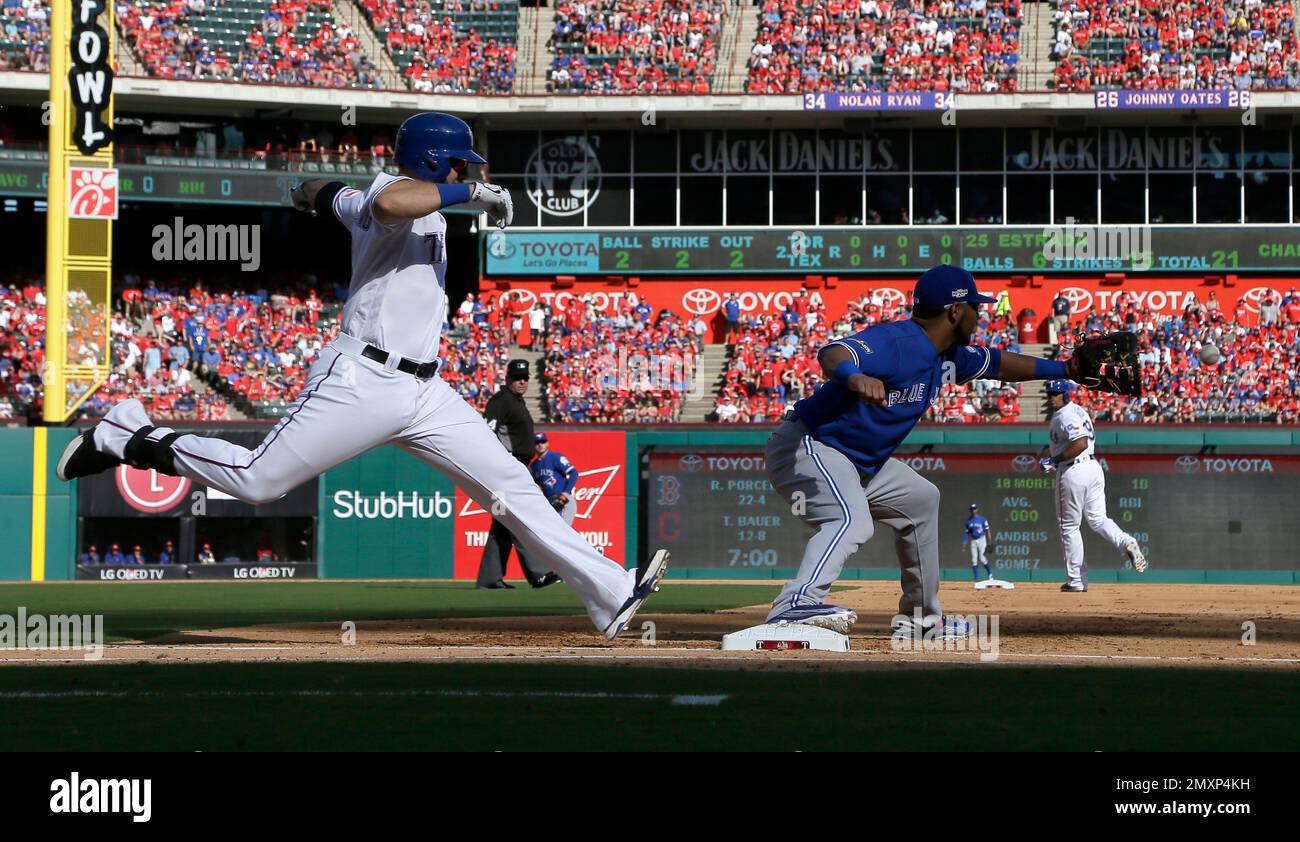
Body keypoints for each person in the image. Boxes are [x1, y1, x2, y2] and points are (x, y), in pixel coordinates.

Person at [57, 112, 664, 640]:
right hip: (362, 378)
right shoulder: (395, 197)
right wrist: (473, 195)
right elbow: (391, 203)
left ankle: (609, 594)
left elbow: (325, 192)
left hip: (425, 391)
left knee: (510, 483)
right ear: (431, 161)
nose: (465, 173)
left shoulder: (378, 198)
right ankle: (128, 436)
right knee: (258, 480)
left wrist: (303, 190)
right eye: (458, 165)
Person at [763, 265, 1102, 639]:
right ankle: (795, 605)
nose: (980, 312)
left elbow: (999, 364)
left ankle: (921, 621)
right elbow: (833, 352)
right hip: (809, 445)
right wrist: (853, 376)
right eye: (974, 305)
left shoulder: (950, 356)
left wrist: (1066, 367)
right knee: (851, 520)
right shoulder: (898, 341)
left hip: (858, 462)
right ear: (955, 311)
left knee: (921, 500)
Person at [1038, 380, 1147, 591]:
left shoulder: (1064, 415)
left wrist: (1053, 460)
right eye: (1050, 392)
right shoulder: (1078, 410)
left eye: (1057, 393)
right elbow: (1073, 439)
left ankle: (1077, 581)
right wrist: (1051, 448)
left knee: (1069, 527)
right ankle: (1126, 542)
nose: (1052, 396)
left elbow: (1080, 443)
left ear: (1067, 394)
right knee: (1098, 519)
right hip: (1093, 468)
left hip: (1074, 470)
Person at [476, 360, 562, 589]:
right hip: (508, 467)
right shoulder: (501, 401)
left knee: (503, 523)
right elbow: (488, 432)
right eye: (517, 377)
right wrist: (503, 463)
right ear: (508, 379)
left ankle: (489, 579)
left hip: (516, 466)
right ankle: (539, 573)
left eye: (525, 377)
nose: (522, 381)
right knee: (520, 518)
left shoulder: (516, 401)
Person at [530, 433, 578, 524]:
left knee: (563, 531)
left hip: (564, 501)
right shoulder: (534, 465)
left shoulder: (555, 457)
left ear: (547, 443)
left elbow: (573, 473)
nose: (540, 444)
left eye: (543, 442)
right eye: (537, 443)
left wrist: (565, 493)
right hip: (550, 503)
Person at [963, 503, 992, 581]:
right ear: (970, 511)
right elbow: (967, 533)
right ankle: (976, 578)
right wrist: (964, 543)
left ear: (977, 509)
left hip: (982, 539)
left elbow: (987, 530)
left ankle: (990, 574)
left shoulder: (982, 519)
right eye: (972, 509)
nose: (973, 510)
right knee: (974, 559)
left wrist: (989, 542)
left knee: (982, 558)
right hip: (973, 540)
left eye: (975, 509)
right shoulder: (968, 521)